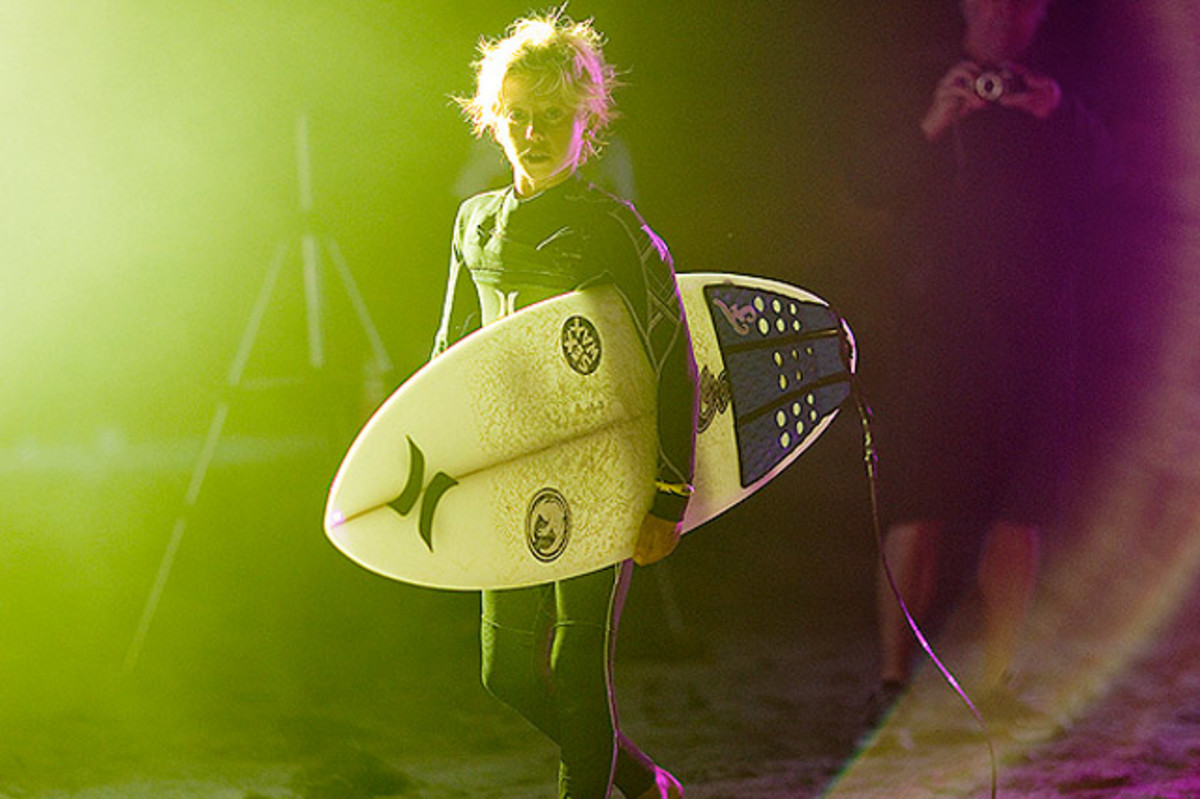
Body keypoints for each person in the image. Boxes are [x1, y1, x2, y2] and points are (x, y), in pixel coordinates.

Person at [431, 12, 695, 798]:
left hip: (595, 466)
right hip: (508, 469)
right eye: (517, 115)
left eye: (553, 115)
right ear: (492, 119)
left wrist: (666, 498)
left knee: (578, 664)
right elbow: (449, 355)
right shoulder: (473, 222)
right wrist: (442, 470)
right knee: (504, 670)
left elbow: (672, 360)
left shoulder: (614, 228)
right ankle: (647, 784)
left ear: (587, 120)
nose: (534, 130)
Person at [845, 0, 1109, 722]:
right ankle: (893, 679)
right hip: (936, 330)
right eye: (992, 2)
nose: (1005, 16)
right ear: (966, 7)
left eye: (1022, 5)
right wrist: (935, 121)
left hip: (1033, 333)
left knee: (1019, 509)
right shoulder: (918, 81)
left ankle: (999, 680)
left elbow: (1107, 182)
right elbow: (868, 184)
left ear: (1040, 16)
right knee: (918, 500)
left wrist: (1056, 111)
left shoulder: (1057, 96)